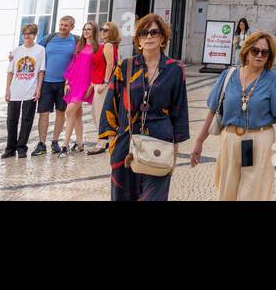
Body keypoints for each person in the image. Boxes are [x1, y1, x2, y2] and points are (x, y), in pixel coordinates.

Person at [190, 31, 276, 200]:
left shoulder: (274, 80)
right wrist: (199, 142)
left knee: (251, 194)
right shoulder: (229, 75)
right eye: (255, 51)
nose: (260, 55)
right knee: (227, 192)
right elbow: (213, 110)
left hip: (259, 140)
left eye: (265, 52)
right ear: (246, 52)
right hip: (230, 139)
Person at [98, 13, 189, 202]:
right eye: (144, 33)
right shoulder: (125, 66)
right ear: (138, 39)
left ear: (163, 38)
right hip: (126, 144)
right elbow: (110, 105)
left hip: (159, 144)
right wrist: (113, 143)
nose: (148, 37)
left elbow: (179, 112)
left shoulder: (175, 69)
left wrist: (174, 153)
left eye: (154, 32)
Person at [32, 16, 78, 156]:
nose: (63, 27)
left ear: (72, 27)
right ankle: (41, 143)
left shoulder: (76, 41)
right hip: (46, 82)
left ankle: (55, 142)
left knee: (60, 112)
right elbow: (34, 50)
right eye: (61, 24)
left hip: (64, 84)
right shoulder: (50, 38)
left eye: (66, 25)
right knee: (43, 113)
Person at [3, 24, 45, 158]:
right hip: (15, 89)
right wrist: (7, 89)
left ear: (34, 35)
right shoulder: (16, 50)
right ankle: (10, 149)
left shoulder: (40, 50)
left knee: (27, 119)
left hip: (30, 89)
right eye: (24, 34)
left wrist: (38, 88)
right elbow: (10, 72)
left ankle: (22, 148)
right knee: (11, 120)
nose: (26, 36)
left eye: (29, 33)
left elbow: (40, 71)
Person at [62, 20, 99, 153]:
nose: (86, 31)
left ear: (94, 31)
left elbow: (97, 69)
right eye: (84, 29)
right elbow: (73, 64)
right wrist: (67, 82)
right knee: (76, 114)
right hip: (74, 82)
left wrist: (91, 87)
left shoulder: (97, 48)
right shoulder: (79, 45)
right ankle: (79, 143)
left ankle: (65, 144)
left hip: (85, 84)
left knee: (69, 111)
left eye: (89, 29)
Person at [86, 21, 119, 155]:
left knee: (100, 114)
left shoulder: (109, 45)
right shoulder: (104, 45)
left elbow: (110, 65)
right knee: (96, 113)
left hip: (103, 84)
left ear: (112, 32)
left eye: (106, 30)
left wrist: (105, 82)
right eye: (102, 29)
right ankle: (105, 141)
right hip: (98, 83)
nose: (103, 32)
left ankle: (102, 142)